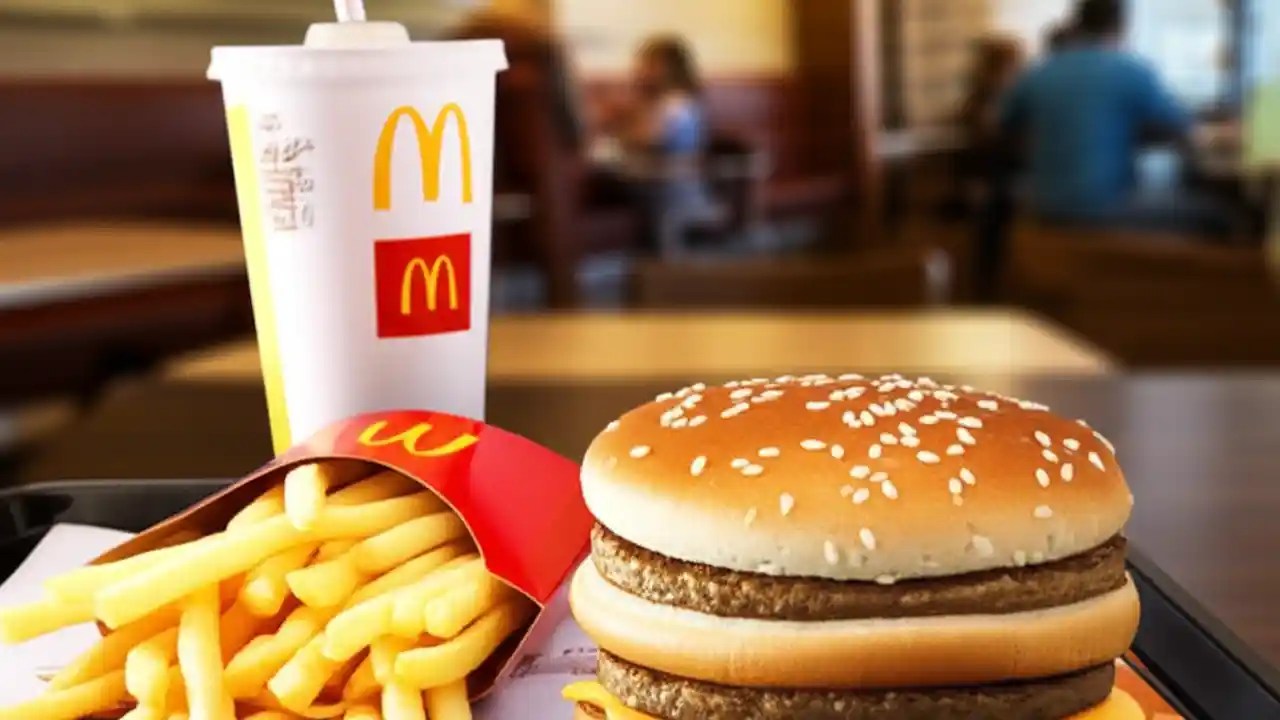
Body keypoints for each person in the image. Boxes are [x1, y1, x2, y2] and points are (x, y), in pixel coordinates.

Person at [1000, 0, 1229, 235]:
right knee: (1219, 215)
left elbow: (1003, 125)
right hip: (1103, 209)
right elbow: (1183, 127)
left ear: (1076, 24)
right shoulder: (1131, 70)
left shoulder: (1038, 72)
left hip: (1043, 204)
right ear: (1121, 26)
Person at [619, 36, 719, 255]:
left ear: (668, 68)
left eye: (649, 64)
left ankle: (666, 269)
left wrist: (623, 127)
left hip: (672, 189)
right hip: (670, 186)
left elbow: (643, 139)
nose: (640, 69)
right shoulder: (669, 101)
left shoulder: (676, 104)